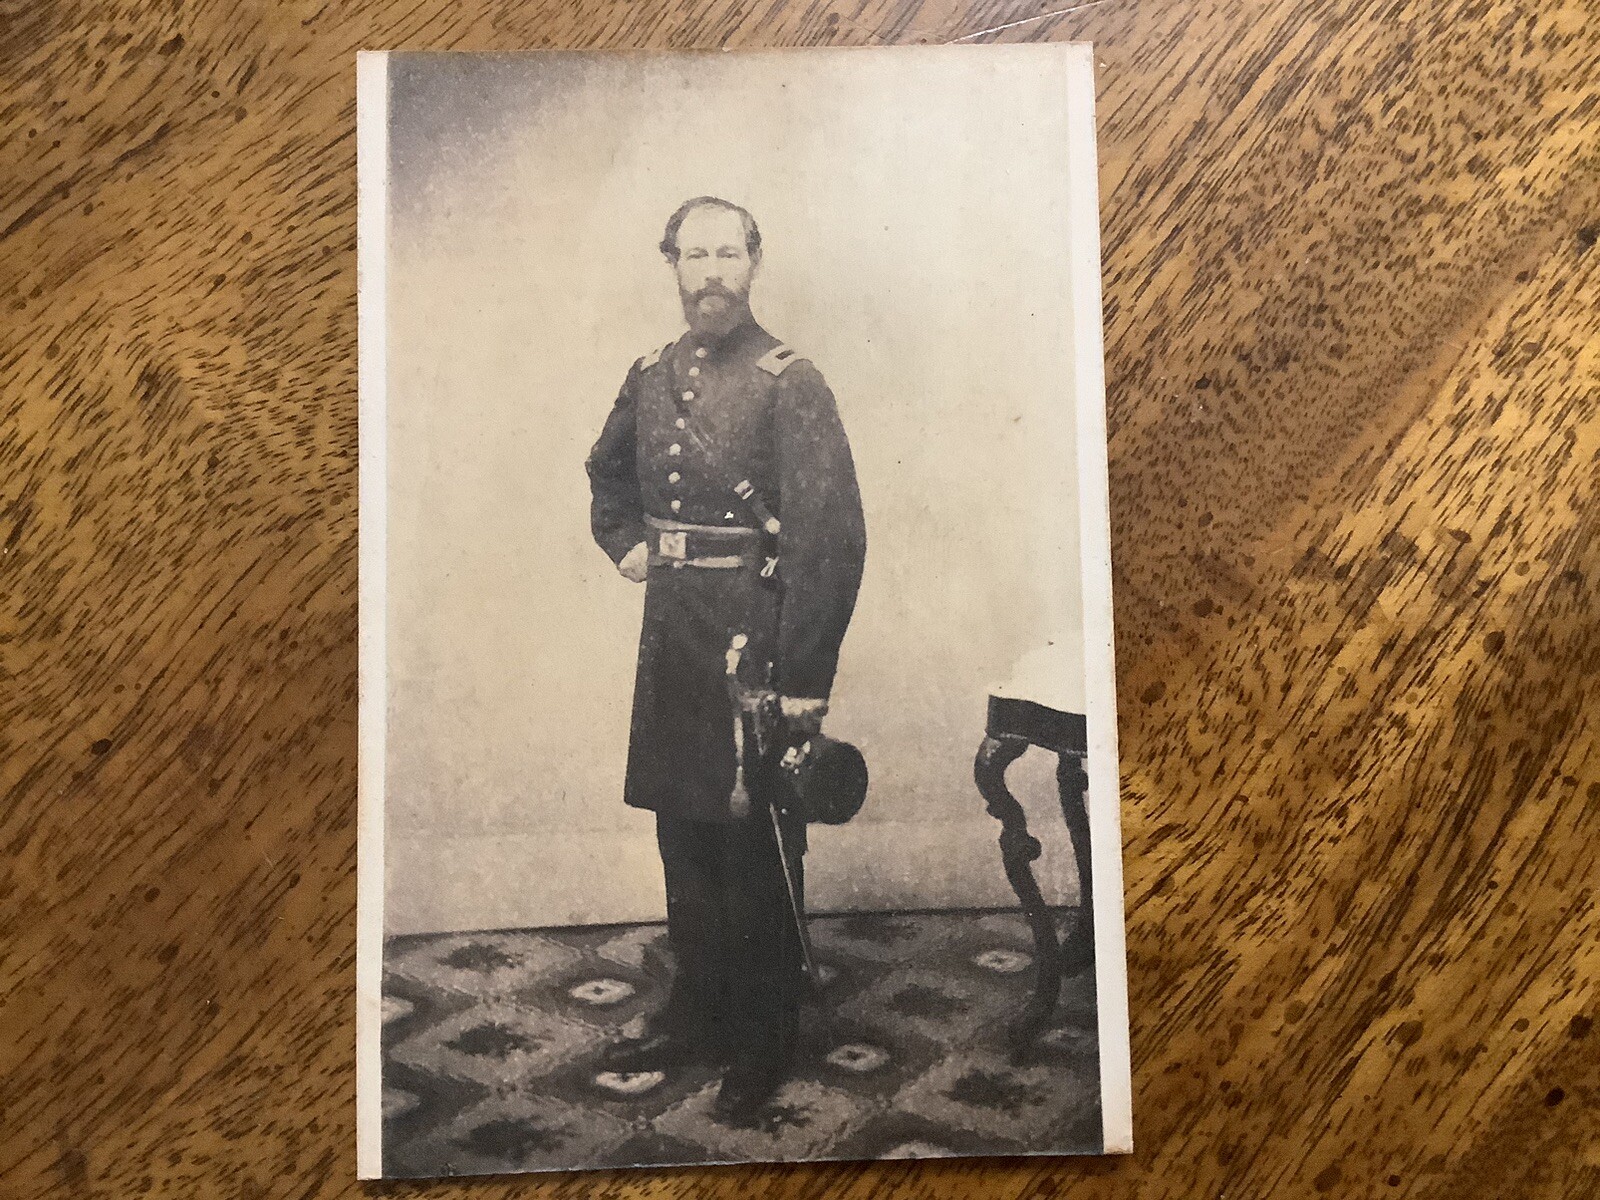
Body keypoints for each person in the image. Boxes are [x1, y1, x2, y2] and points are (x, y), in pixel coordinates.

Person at [585, 196, 866, 1121]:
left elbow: (829, 542)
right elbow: (608, 471)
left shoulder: (791, 382)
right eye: (693, 254)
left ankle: (761, 1035)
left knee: (751, 848)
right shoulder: (650, 373)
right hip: (672, 638)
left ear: (755, 262)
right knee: (683, 831)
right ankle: (699, 1008)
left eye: (727, 254)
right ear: (670, 263)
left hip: (754, 643)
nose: (710, 272)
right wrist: (626, 543)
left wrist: (804, 688)